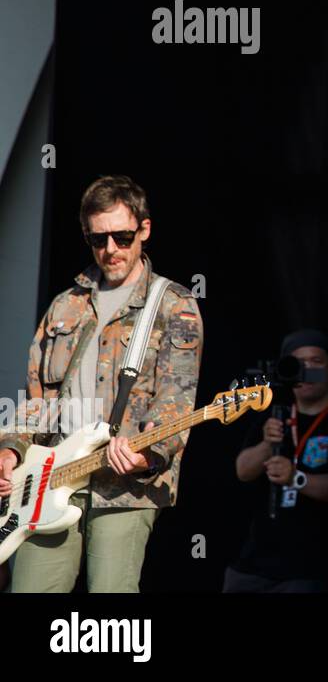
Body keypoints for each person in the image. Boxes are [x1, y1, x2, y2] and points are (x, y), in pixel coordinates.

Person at [0, 175, 202, 592]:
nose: (110, 249)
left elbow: (175, 404)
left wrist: (149, 455)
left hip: (125, 488)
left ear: (144, 230)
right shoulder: (65, 304)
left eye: (122, 237)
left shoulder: (174, 304)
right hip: (50, 480)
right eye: (99, 239)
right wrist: (11, 449)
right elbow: (38, 396)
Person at [224, 329, 328, 592]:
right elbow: (242, 470)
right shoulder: (273, 416)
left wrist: (296, 478)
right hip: (255, 564)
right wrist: (267, 445)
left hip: (311, 566)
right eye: (298, 364)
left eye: (315, 362)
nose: (306, 370)